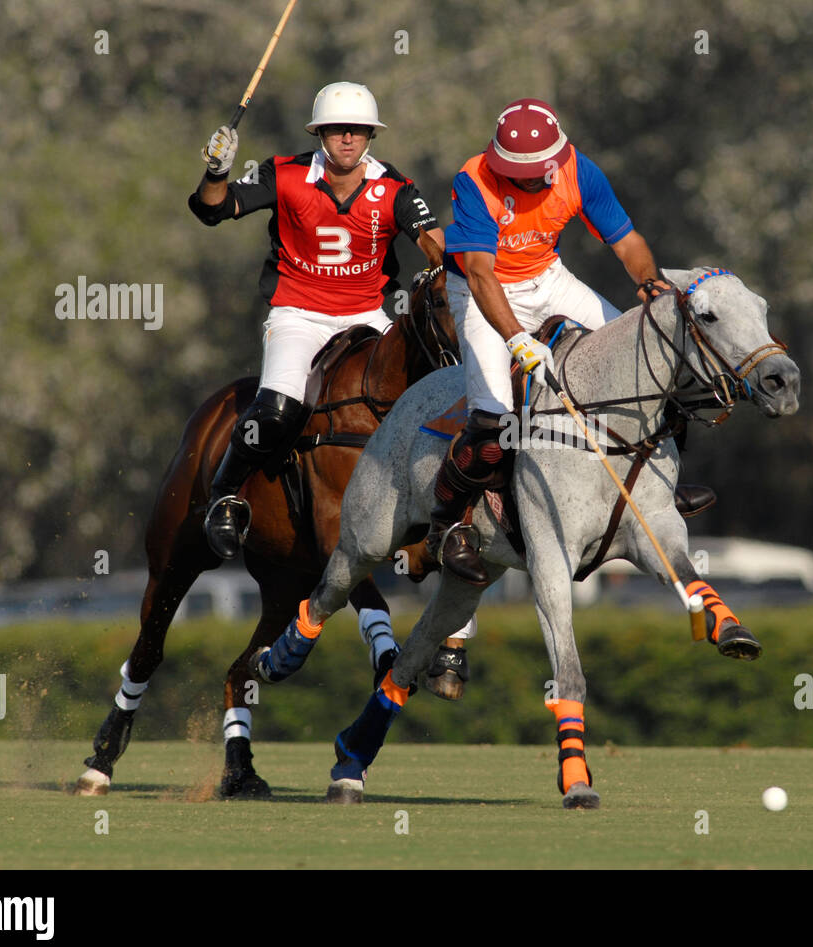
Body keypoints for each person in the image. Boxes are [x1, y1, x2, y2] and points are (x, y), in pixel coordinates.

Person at [428, 97, 714, 584]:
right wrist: (517, 338)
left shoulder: (577, 169)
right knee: (493, 418)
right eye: (529, 172)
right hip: (483, 291)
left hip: (548, 278)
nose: (542, 177)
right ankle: (447, 523)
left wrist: (648, 281)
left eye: (545, 169)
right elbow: (478, 273)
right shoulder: (473, 180)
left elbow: (626, 241)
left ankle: (660, 482)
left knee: (647, 360)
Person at [189, 81, 446, 561]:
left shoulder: (395, 188)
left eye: (357, 131)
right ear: (319, 134)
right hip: (298, 314)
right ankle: (224, 499)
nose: (346, 139)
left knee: (424, 404)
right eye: (336, 131)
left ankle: (443, 516)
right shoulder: (284, 175)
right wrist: (217, 171)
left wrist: (450, 264)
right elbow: (213, 209)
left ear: (370, 136)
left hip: (367, 317)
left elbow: (435, 246)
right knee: (277, 409)